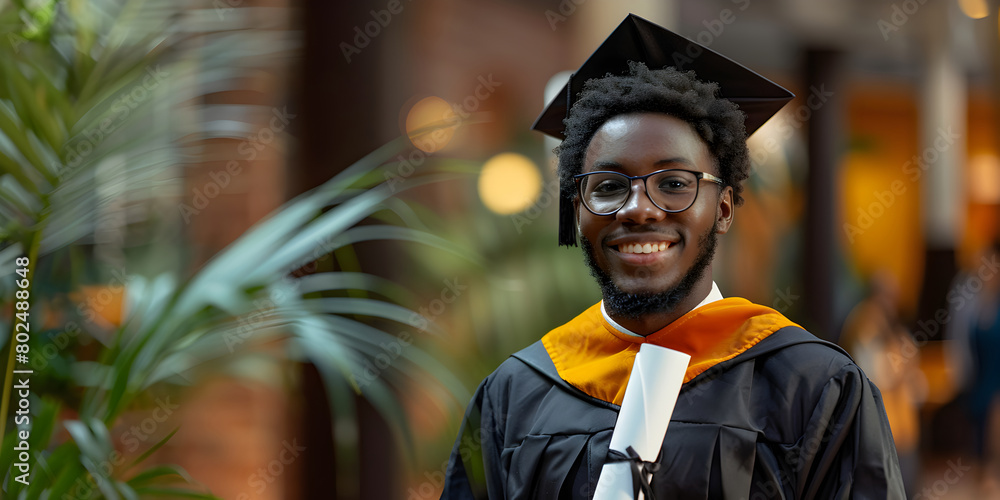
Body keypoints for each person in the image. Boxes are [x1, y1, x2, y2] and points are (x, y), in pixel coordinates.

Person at [441, 14, 904, 499]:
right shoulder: (514, 395)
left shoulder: (814, 388)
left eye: (674, 184)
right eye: (608, 186)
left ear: (723, 209)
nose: (639, 209)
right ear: (577, 211)